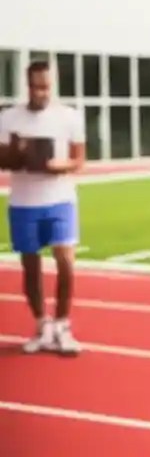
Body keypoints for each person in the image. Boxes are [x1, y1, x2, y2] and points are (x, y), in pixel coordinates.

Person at [0, 60, 86, 356]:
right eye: (37, 86)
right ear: (28, 85)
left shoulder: (69, 117)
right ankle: (41, 324)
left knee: (65, 261)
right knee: (31, 267)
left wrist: (57, 166)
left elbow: (78, 160)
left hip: (60, 199)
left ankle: (63, 325)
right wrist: (17, 154)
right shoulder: (9, 118)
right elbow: (1, 160)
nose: (42, 92)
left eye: (46, 86)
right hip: (24, 203)